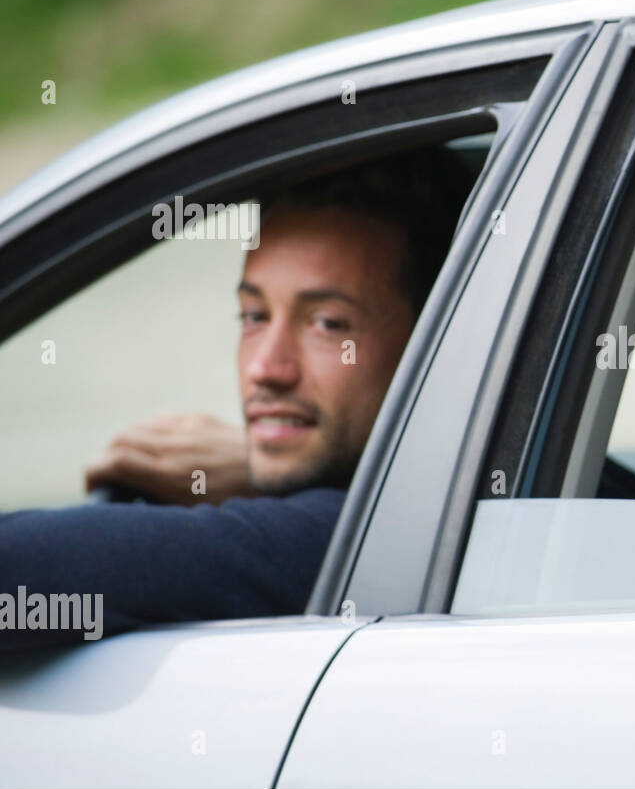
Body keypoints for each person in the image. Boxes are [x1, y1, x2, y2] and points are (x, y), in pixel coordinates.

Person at [0, 146, 473, 650]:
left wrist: (254, 481)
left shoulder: (357, 538)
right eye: (254, 315)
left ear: (435, 340)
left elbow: (20, 569)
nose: (266, 369)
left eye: (329, 324)